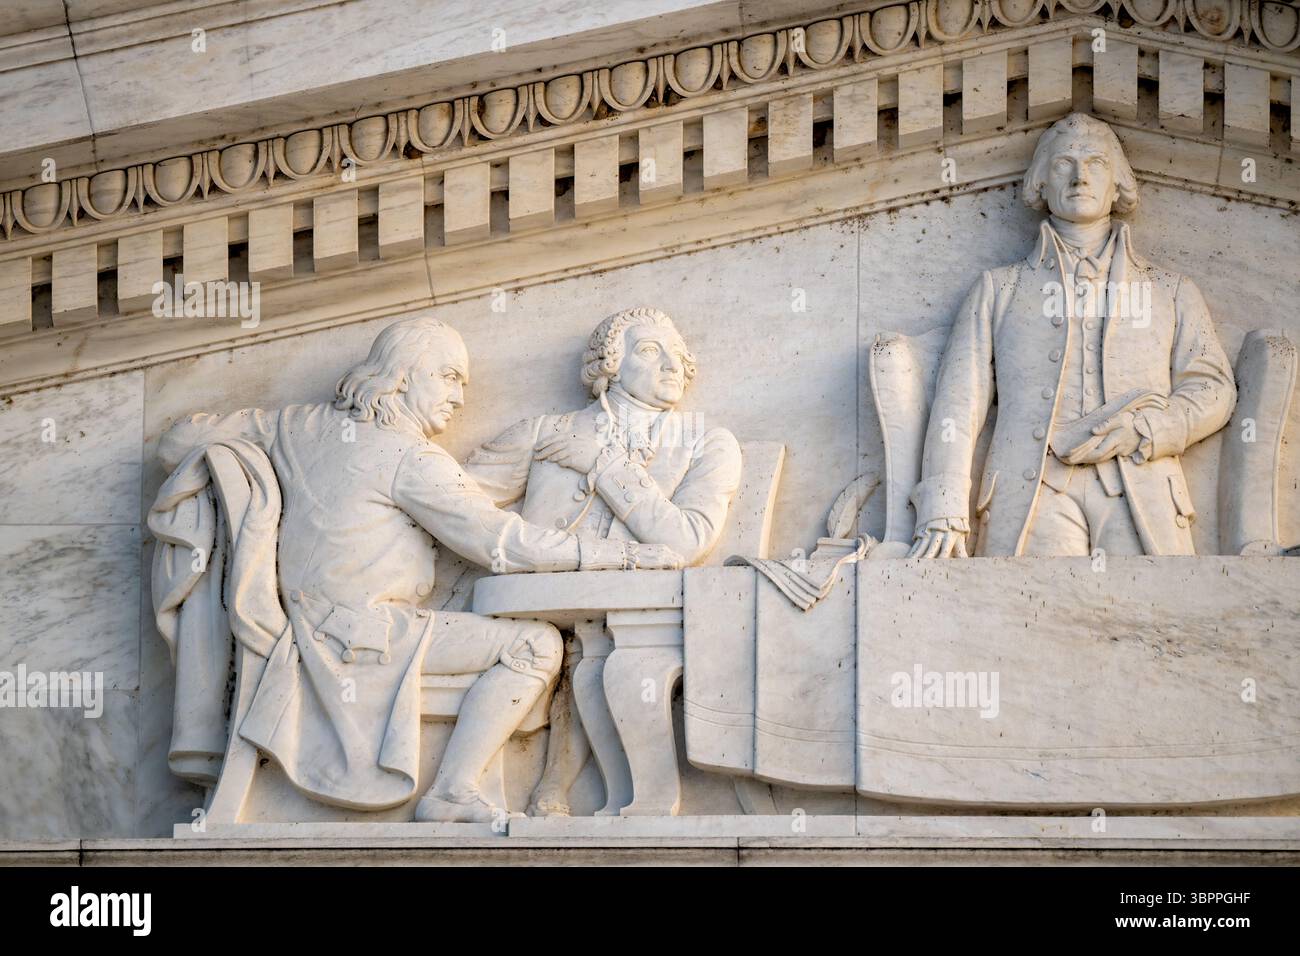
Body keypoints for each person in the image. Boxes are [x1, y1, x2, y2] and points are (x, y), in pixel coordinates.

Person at [157, 316, 680, 824]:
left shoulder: (296, 424)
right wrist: (624, 556)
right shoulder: (410, 458)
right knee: (537, 645)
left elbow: (176, 440)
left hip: (298, 624)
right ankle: (452, 790)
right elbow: (502, 541)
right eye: (449, 377)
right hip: (362, 637)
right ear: (403, 374)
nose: (458, 397)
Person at [910, 113, 1236, 559]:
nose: (1080, 175)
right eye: (1064, 163)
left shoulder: (1170, 290)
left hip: (1140, 486)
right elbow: (959, 402)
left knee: (1150, 623)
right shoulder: (999, 289)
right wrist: (943, 506)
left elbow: (1213, 386)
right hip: (1033, 490)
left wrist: (1150, 428)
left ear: (1117, 181)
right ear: (1041, 182)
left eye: (1096, 162)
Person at [466, 307, 741, 815]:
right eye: (650, 350)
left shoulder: (708, 442)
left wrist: (605, 463)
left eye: (679, 355)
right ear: (610, 364)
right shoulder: (546, 431)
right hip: (541, 590)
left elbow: (686, 541)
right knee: (584, 642)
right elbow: (457, 502)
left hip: (637, 607)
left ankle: (608, 795)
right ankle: (554, 785)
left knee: (598, 643)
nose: (672, 365)